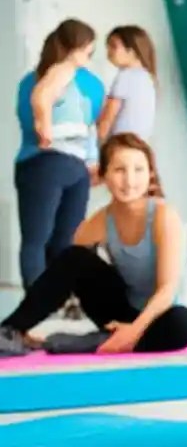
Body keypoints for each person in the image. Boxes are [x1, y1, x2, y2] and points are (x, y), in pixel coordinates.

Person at [0, 133, 187, 356]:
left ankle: (105, 341)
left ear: (151, 174)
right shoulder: (96, 224)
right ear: (103, 175)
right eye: (120, 170)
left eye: (138, 170)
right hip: (120, 314)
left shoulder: (164, 216)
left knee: (184, 324)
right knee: (75, 256)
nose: (130, 180)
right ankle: (10, 330)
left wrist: (133, 331)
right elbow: (60, 278)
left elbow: (167, 289)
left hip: (162, 315)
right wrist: (29, 323)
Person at [14, 19, 105, 290]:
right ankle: (42, 302)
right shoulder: (56, 76)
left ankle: (52, 299)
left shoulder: (43, 79)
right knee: (47, 239)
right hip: (53, 162)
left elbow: (88, 127)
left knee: (52, 239)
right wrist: (46, 130)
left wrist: (90, 161)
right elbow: (41, 104)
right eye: (88, 49)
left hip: (63, 165)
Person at [98, 25, 159, 142]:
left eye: (113, 46)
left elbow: (107, 119)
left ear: (132, 50)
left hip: (119, 142)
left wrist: (97, 143)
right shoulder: (149, 79)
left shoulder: (126, 76)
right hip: (140, 144)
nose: (108, 52)